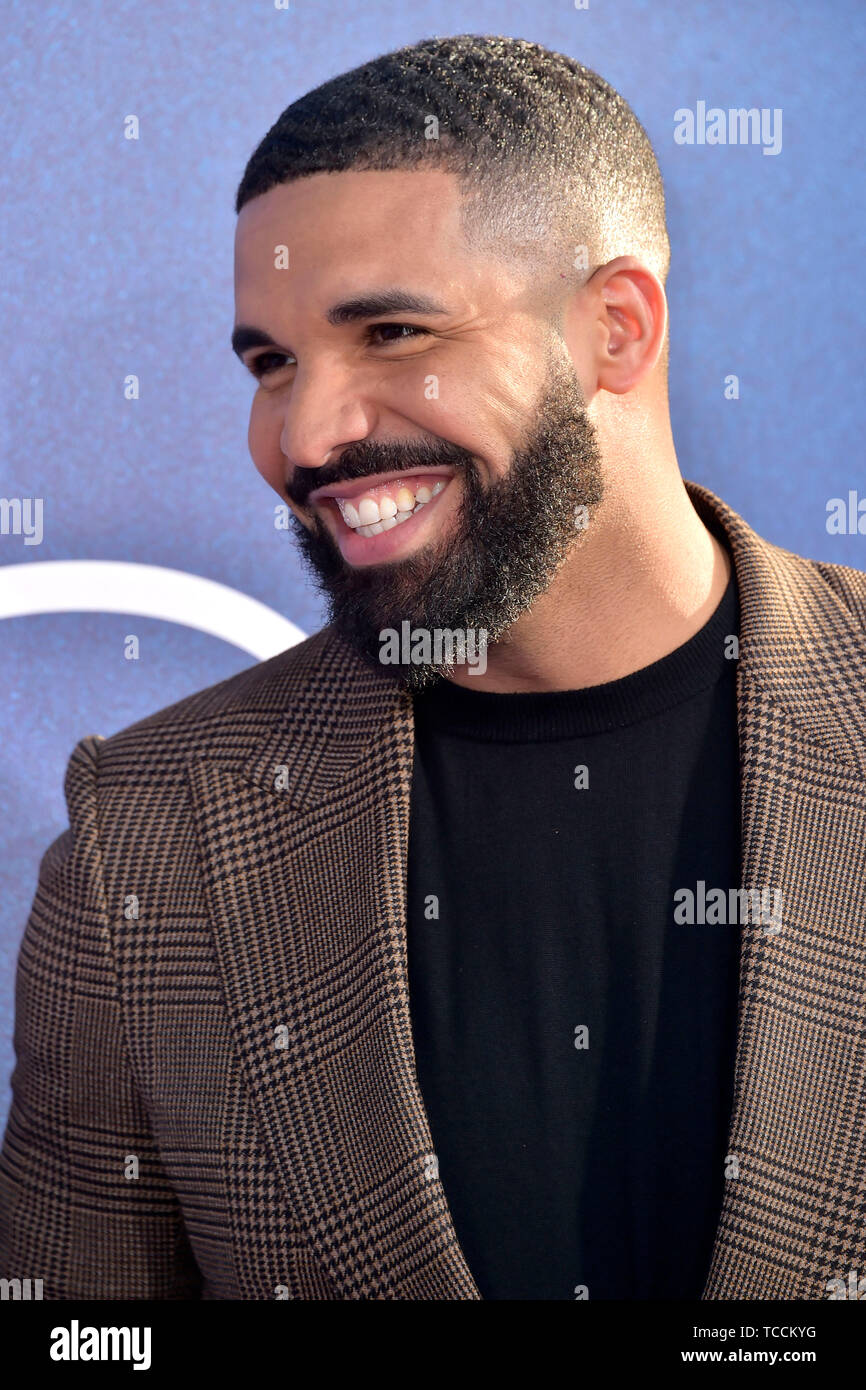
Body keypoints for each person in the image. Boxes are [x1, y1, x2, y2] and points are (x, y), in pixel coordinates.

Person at [1, 34, 864, 1301]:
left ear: (614, 329)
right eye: (271, 363)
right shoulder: (149, 839)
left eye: (393, 332)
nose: (303, 434)